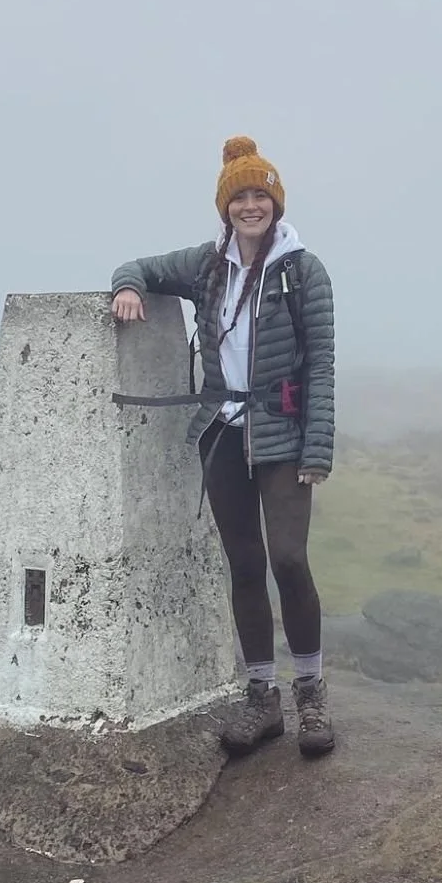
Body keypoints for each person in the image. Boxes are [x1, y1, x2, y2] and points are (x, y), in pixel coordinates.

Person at [109, 135, 336, 758]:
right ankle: (262, 699)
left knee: (289, 559)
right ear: (224, 205)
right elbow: (141, 268)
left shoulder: (302, 270)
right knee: (243, 564)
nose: (251, 205)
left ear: (276, 203)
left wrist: (317, 450)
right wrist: (127, 288)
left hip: (282, 435)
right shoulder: (207, 265)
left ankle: (310, 693)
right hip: (222, 432)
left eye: (261, 194)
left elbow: (322, 364)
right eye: (240, 196)